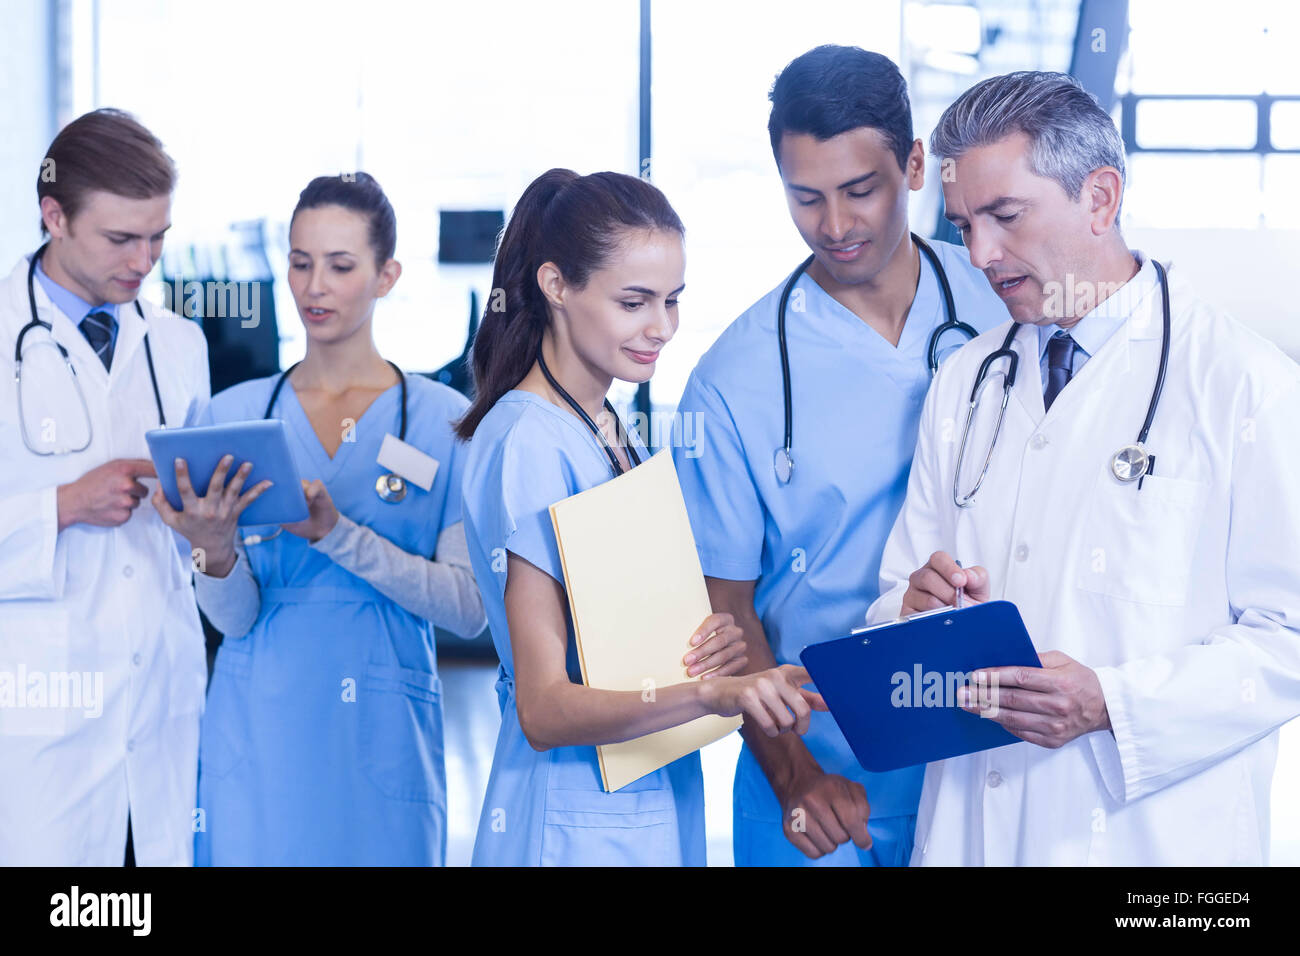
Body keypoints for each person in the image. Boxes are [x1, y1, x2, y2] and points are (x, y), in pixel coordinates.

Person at [868, 71, 1300, 866]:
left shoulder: (1244, 384)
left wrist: (1113, 705)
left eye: (1004, 217)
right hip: (972, 829)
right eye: (963, 225)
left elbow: (1289, 639)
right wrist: (912, 610)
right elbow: (895, 598)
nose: (981, 255)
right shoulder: (966, 381)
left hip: (1153, 852)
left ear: (1100, 198)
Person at [670, 45, 1008, 866]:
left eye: (861, 190)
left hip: (990, 762)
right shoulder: (734, 378)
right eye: (806, 196)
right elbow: (726, 612)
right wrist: (795, 778)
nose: (835, 225)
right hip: (817, 780)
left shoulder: (1002, 305)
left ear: (917, 164)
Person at [458, 168, 825, 867]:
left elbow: (616, 632)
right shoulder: (529, 442)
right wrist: (710, 691)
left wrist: (699, 643)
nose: (661, 328)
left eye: (673, 301)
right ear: (556, 286)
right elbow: (543, 708)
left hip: (647, 787)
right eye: (634, 302)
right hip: (570, 812)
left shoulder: (605, 424)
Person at [153, 173, 486, 866]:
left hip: (382, 728)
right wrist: (213, 552)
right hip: (261, 724)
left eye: (340, 266)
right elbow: (235, 618)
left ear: (386, 275)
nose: (314, 287)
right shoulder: (231, 417)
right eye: (301, 263)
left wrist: (340, 536)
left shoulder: (440, 422)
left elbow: (467, 608)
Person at [0, 109, 209, 865]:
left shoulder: (179, 344)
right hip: (38, 717)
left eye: (158, 236)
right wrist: (62, 507)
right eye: (122, 239)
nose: (145, 260)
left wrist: (207, 522)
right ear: (53, 216)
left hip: (158, 699)